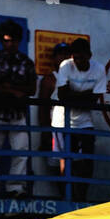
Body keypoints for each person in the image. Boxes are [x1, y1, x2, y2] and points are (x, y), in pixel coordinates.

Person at [0, 20, 35, 198]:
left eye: (13, 40)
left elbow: (32, 88)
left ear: (19, 41)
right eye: (6, 40)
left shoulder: (26, 62)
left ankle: (16, 188)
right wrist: (14, 91)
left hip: (17, 114)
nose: (9, 44)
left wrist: (4, 87)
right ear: (1, 40)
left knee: (21, 152)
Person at [52, 39, 102, 201]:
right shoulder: (66, 66)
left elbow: (94, 99)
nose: (78, 62)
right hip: (62, 121)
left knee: (86, 162)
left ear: (89, 56)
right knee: (65, 163)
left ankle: (80, 199)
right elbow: (62, 96)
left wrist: (73, 97)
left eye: (82, 58)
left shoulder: (98, 69)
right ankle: (67, 199)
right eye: (76, 58)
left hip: (85, 122)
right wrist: (84, 97)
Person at [36, 41, 71, 170]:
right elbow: (43, 109)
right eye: (60, 54)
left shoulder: (76, 77)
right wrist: (45, 133)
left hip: (76, 128)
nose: (64, 57)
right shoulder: (50, 79)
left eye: (67, 54)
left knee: (78, 165)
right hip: (57, 129)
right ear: (54, 58)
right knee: (58, 165)